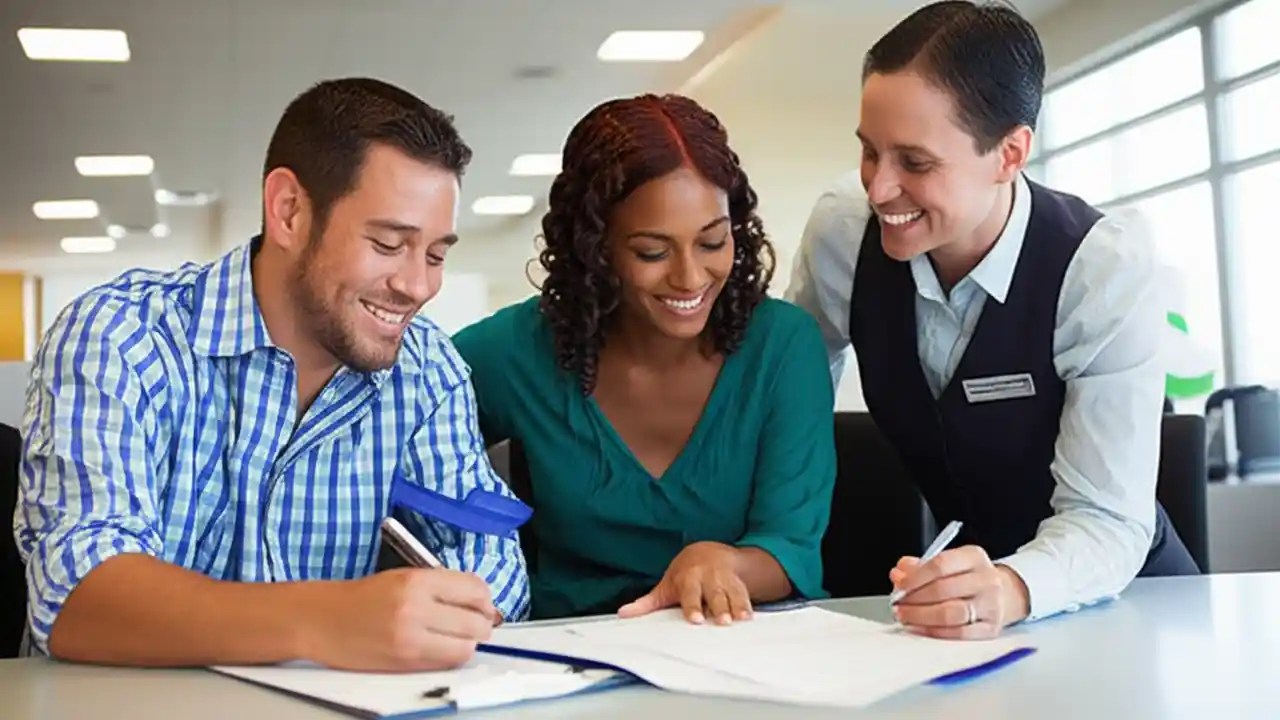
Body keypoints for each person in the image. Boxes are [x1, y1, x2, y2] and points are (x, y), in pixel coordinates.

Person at [14, 78, 528, 669]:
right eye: (389, 244)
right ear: (289, 212)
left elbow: (492, 558)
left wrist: (458, 606)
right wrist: (325, 619)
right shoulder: (122, 337)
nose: (418, 286)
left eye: (436, 255)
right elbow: (78, 595)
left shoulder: (426, 370)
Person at [786, 1, 1198, 640]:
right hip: (978, 614)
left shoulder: (1102, 267)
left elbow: (1109, 520)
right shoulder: (844, 233)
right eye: (870, 152)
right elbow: (792, 390)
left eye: (915, 163)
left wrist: (1009, 587)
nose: (878, 188)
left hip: (1134, 607)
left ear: (1009, 153)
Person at [453, 94, 836, 624]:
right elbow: (394, 420)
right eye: (652, 252)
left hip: (732, 647)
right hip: (562, 654)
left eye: (712, 242)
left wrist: (718, 561)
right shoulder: (515, 352)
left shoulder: (782, 345)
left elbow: (792, 548)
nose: (689, 277)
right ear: (595, 247)